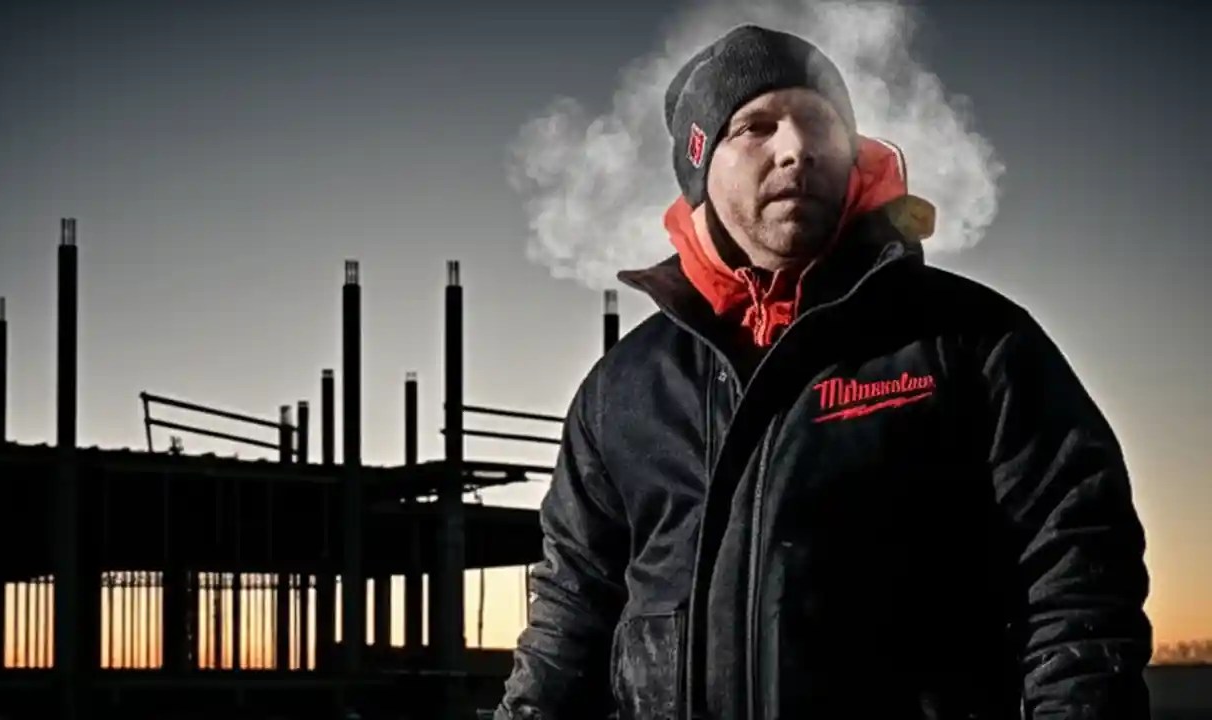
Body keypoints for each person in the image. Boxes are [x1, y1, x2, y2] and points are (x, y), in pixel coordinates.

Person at [493, 23, 1153, 720]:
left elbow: (1080, 571)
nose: (797, 148)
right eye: (756, 126)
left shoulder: (971, 343)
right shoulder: (623, 390)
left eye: (820, 124)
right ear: (700, 164)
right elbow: (572, 611)